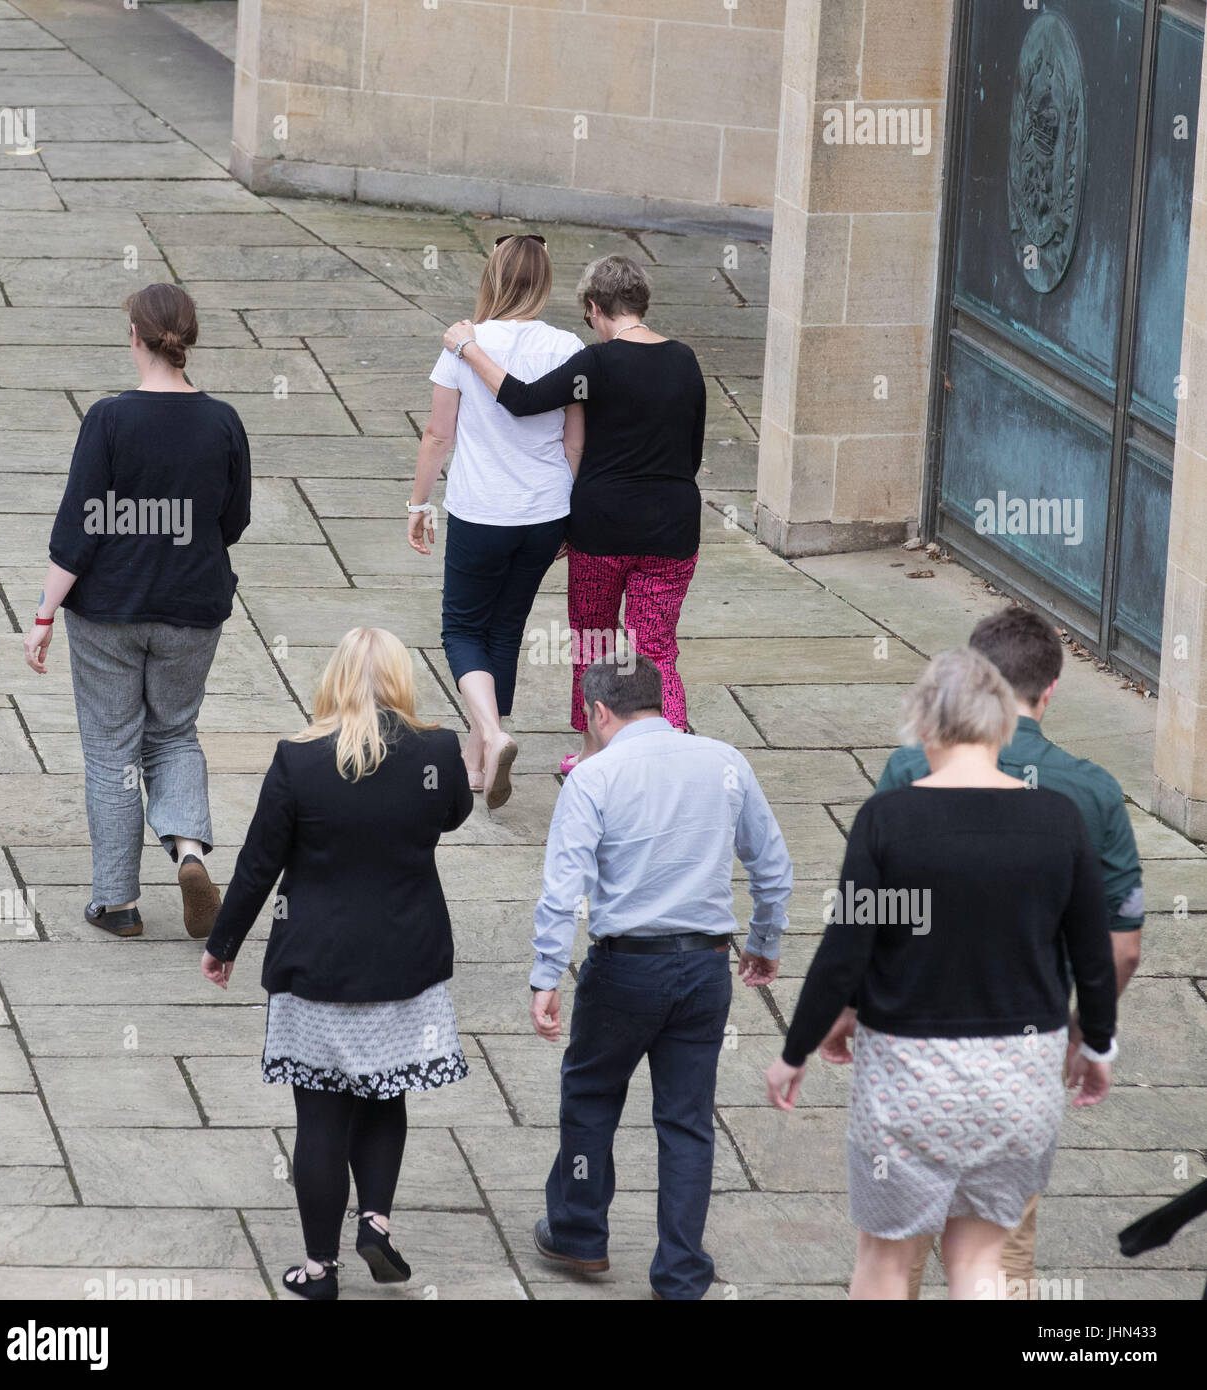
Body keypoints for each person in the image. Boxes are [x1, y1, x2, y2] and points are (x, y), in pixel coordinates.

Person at [765, 648, 1117, 1300]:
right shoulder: (1059, 822)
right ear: (1002, 726)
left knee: (886, 1262)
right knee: (981, 1263)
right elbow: (1095, 957)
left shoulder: (888, 820)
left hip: (908, 1077)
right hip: (1020, 1075)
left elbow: (845, 950)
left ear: (926, 725)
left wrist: (797, 1049)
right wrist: (1096, 1044)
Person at [201, 628, 473, 1300]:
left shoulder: (300, 760)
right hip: (405, 962)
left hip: (316, 963)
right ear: (402, 681)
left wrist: (224, 943)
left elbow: (260, 862)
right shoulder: (436, 750)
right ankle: (376, 1222)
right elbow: (457, 813)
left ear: (333, 679)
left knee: (320, 1117)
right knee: (386, 1097)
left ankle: (319, 1269)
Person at [529, 654, 793, 1299]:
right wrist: (763, 941)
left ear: (597, 712)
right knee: (687, 1120)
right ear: (660, 700)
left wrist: (546, 974)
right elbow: (773, 866)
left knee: (592, 1097)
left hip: (625, 969)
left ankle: (580, 1233)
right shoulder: (725, 761)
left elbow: (564, 892)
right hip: (705, 967)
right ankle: (679, 1271)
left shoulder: (593, 778)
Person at [24, 282, 250, 941]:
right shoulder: (223, 421)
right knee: (175, 733)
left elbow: (78, 530)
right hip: (191, 608)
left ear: (135, 338)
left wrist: (43, 615)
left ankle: (118, 903)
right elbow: (231, 521)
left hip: (108, 613)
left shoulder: (109, 420)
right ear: (188, 340)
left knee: (112, 747)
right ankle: (188, 853)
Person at [443, 254, 707, 773]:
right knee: (657, 647)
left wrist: (467, 347)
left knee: (595, 640)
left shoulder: (597, 362)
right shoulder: (685, 359)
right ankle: (669, 752)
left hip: (601, 531)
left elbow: (520, 398)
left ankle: (593, 755)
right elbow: (692, 452)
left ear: (594, 307)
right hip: (673, 530)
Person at [409, 233, 585, 808]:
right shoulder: (568, 346)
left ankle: (489, 734)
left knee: (461, 629)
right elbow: (575, 442)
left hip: (482, 509)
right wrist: (571, 514)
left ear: (493, 277)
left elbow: (439, 434)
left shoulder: (466, 342)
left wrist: (418, 504)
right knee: (505, 628)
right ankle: (477, 757)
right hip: (544, 510)